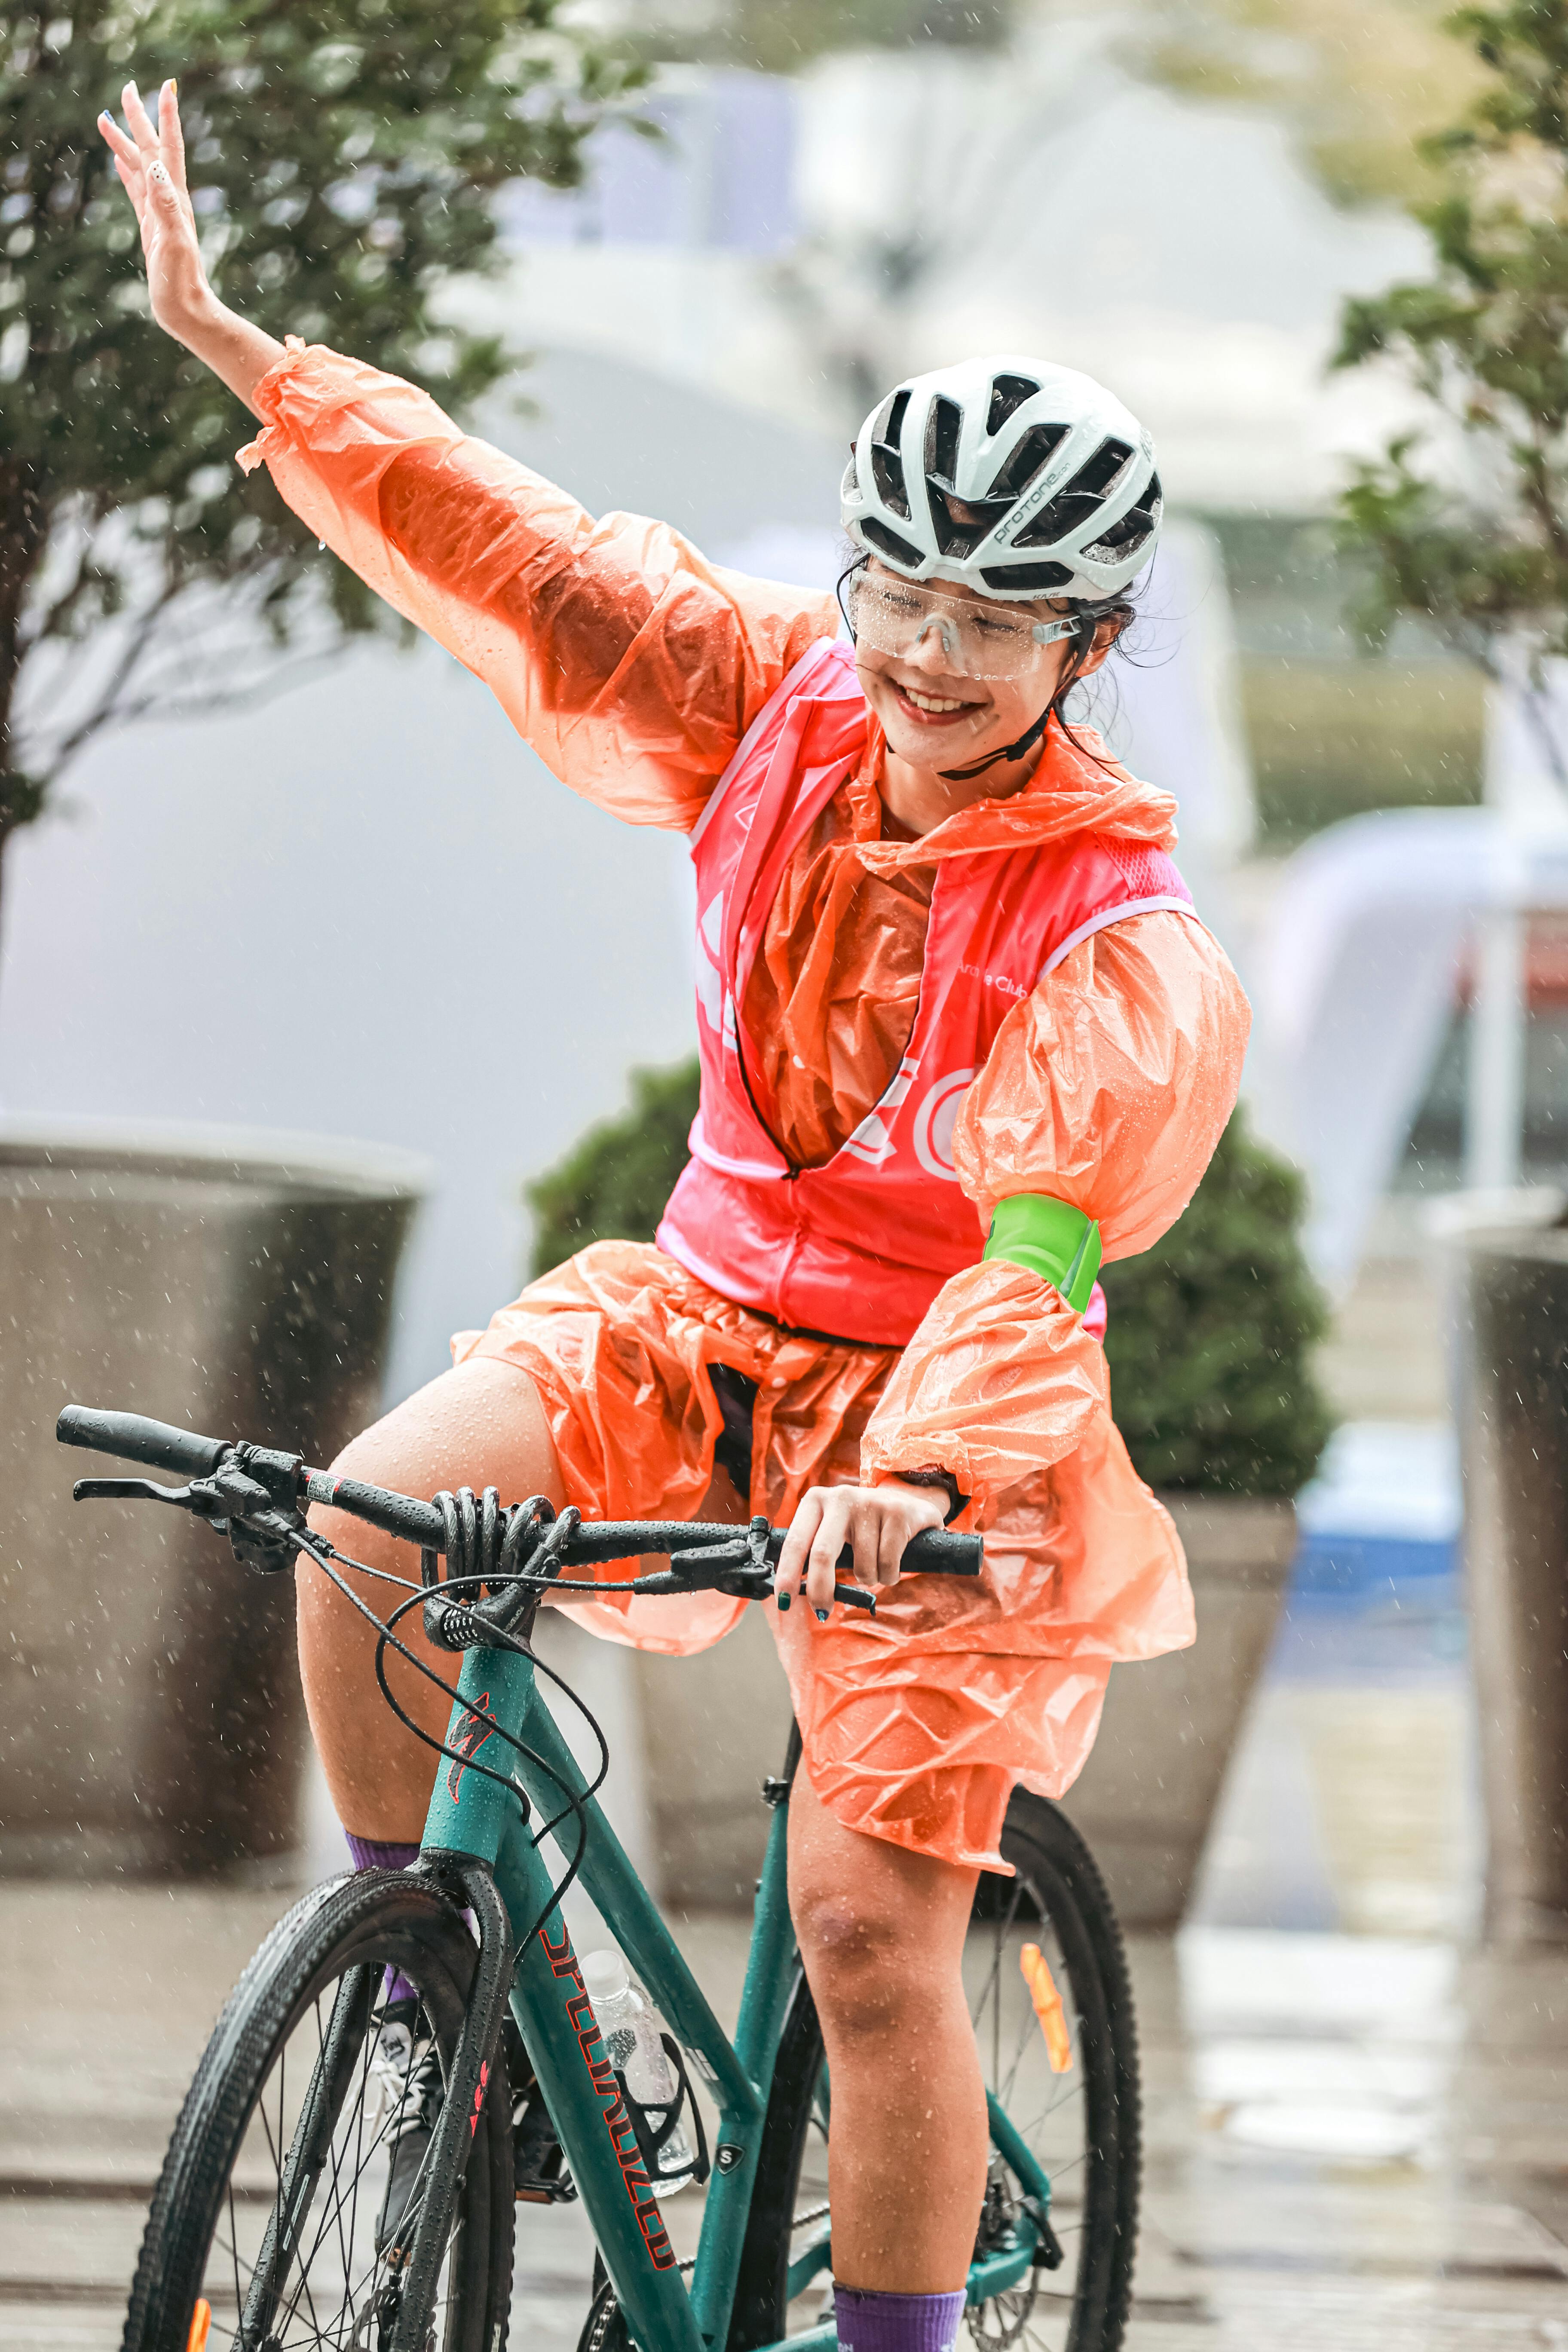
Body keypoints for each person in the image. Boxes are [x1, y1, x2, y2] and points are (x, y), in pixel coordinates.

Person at [100, 77, 1249, 2352]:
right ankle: (435, 1995)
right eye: (903, 584)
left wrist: (909, 1477)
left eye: (1000, 619)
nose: (935, 649)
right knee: (371, 1530)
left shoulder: (1120, 940)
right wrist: (241, 348)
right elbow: (513, 545)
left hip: (950, 1421)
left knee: (868, 1932)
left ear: (1084, 648)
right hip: (696, 1318)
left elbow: (1028, 1268)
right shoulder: (764, 699)